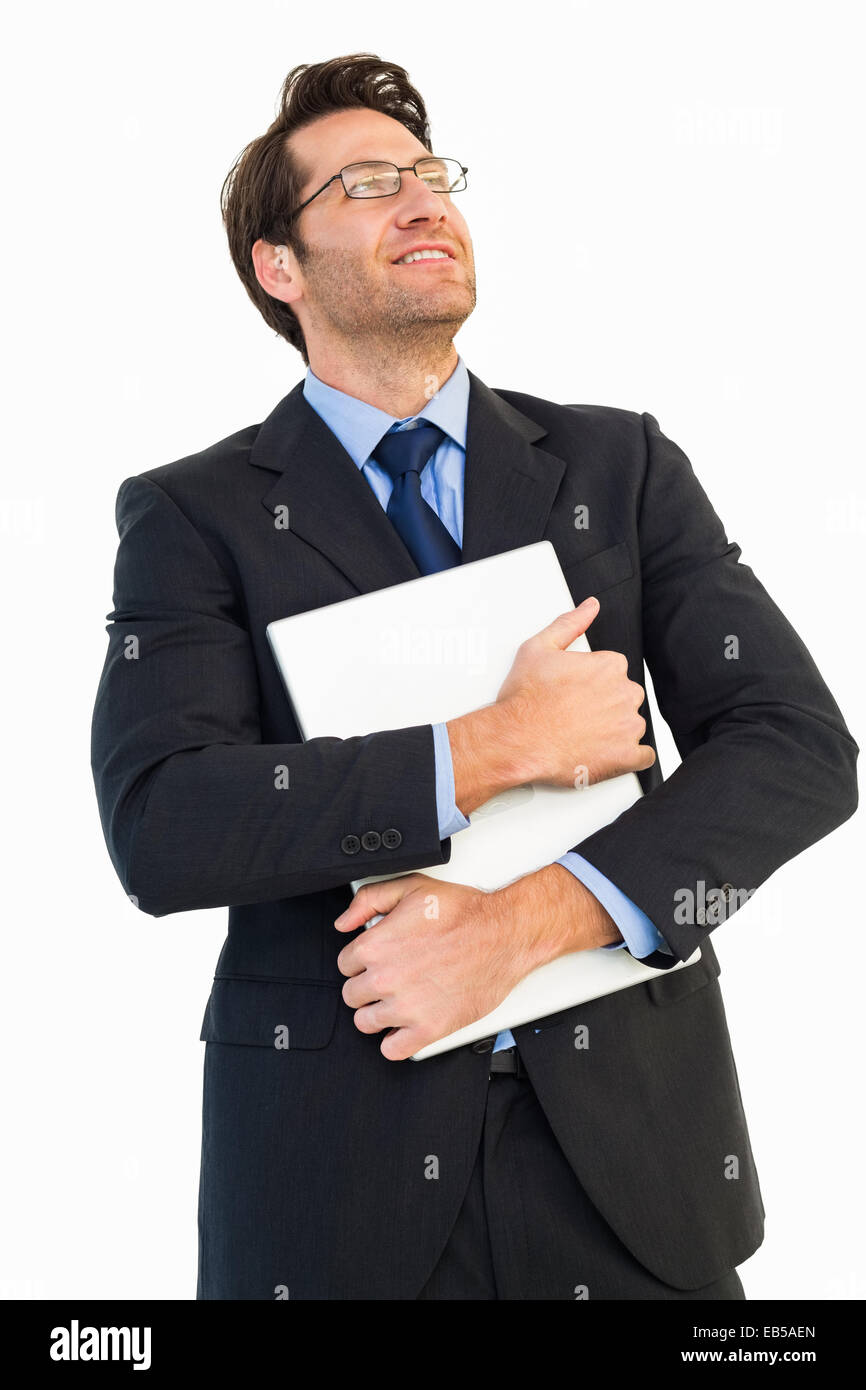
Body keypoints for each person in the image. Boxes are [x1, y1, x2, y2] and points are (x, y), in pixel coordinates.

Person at [90, 53, 859, 1300]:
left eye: (433, 173)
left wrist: (532, 921)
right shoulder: (194, 514)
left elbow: (798, 749)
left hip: (635, 1170)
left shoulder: (621, 464)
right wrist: (483, 748)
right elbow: (160, 826)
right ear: (277, 268)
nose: (423, 200)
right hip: (338, 1185)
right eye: (366, 183)